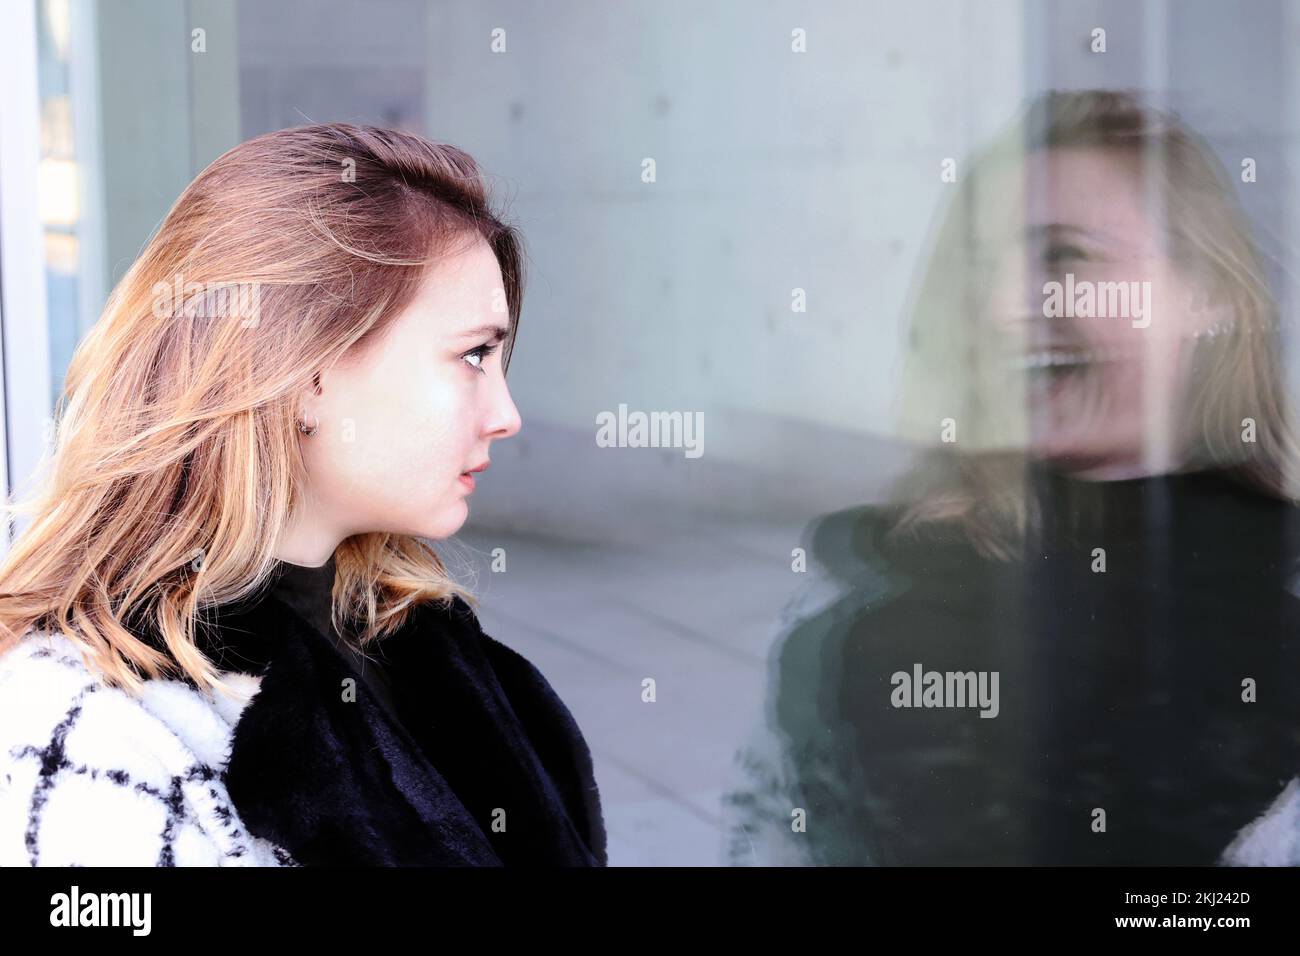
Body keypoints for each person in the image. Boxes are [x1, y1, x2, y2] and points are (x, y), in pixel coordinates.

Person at [0, 123, 607, 867]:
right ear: (306, 372)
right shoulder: (89, 729)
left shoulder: (419, 644)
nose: (507, 415)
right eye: (473, 355)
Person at [722, 90, 1300, 866]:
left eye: (1064, 256)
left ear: (1209, 296)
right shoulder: (858, 593)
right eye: (981, 266)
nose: (1001, 308)